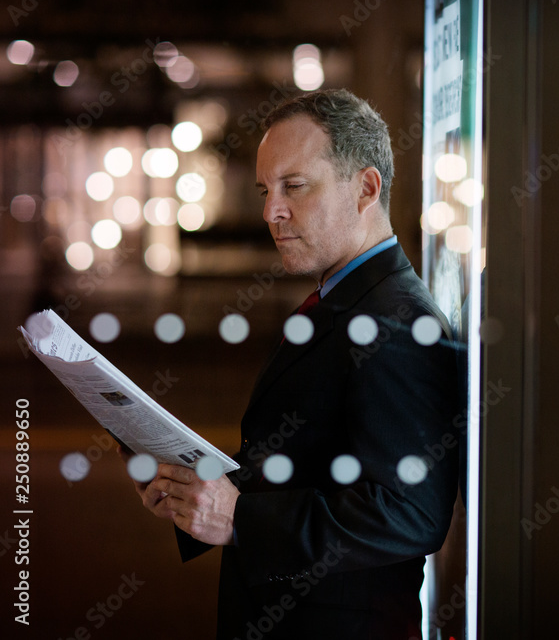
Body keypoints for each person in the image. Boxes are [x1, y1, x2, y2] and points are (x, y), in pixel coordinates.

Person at [125, 89, 463, 638]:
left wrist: (239, 519)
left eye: (294, 187)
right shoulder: (347, 300)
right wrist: (197, 490)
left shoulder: (395, 322)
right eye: (265, 190)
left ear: (366, 189)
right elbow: (310, 459)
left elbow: (410, 513)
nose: (270, 211)